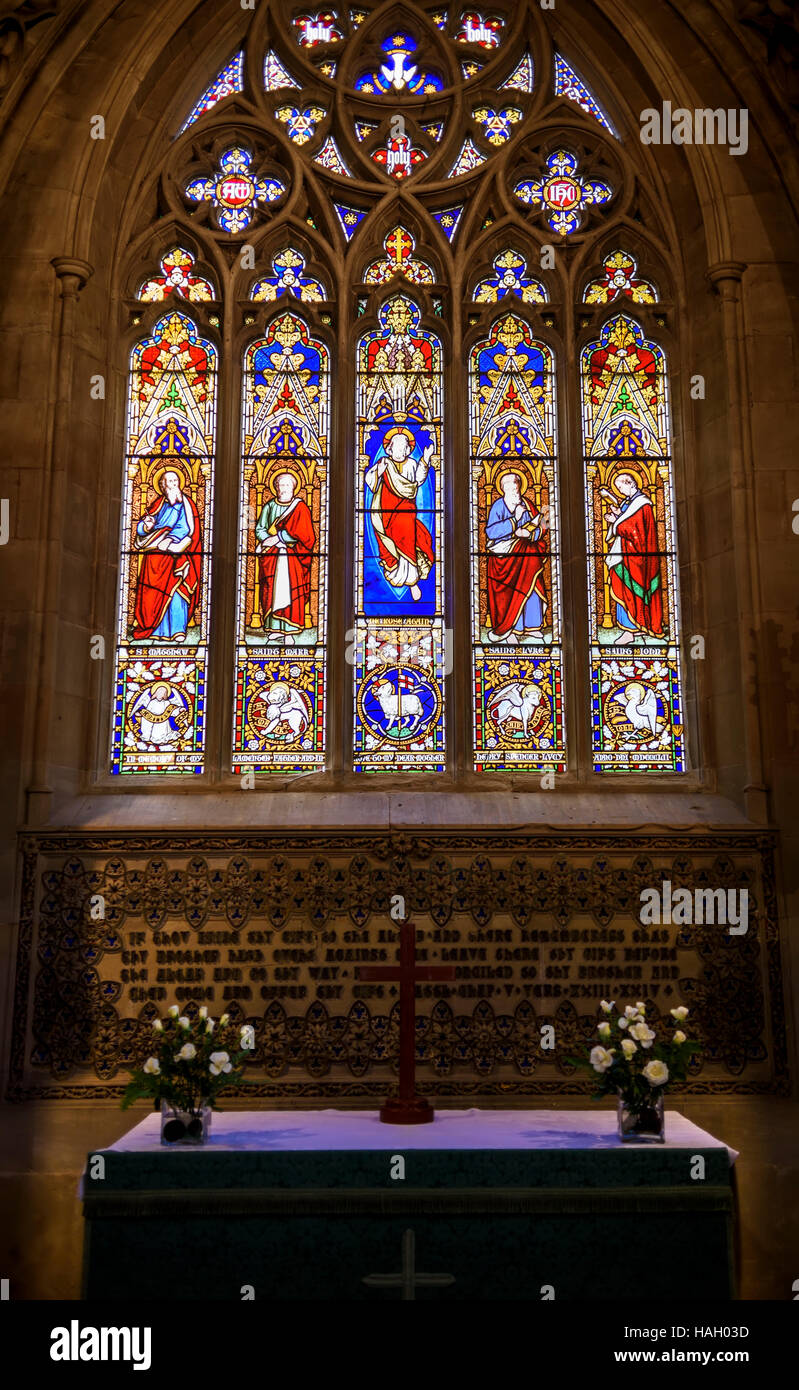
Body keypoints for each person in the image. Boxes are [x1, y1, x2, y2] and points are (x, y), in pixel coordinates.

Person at [365, 427, 434, 602]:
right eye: (397, 447)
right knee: (389, 545)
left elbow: (418, 480)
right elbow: (370, 480)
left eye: (404, 448)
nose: (400, 451)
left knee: (410, 543)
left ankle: (412, 582)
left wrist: (425, 459)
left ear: (408, 450)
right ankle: (400, 576)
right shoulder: (384, 463)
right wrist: (378, 472)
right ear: (390, 449)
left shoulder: (411, 463)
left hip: (406, 511)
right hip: (386, 513)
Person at [132, 469, 201, 642]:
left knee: (176, 590)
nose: (174, 485)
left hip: (174, 555)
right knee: (152, 593)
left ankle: (178, 630)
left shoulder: (185, 504)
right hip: (154, 556)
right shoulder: (157, 505)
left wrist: (170, 539)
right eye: (170, 482)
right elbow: (143, 526)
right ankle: (156, 628)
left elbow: (187, 528)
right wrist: (146, 526)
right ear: (162, 486)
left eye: (176, 481)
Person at [484, 471, 548, 643]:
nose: (515, 492)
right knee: (510, 593)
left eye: (517, 488)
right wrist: (514, 521)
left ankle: (532, 626)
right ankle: (511, 628)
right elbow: (491, 532)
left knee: (532, 582)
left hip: (525, 555)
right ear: (503, 489)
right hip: (503, 558)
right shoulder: (499, 506)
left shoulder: (526, 505)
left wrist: (529, 534)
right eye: (511, 489)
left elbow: (537, 527)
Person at [601, 472, 663, 641]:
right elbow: (627, 524)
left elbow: (636, 531)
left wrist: (616, 522)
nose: (620, 492)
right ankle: (632, 628)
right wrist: (617, 518)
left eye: (621, 487)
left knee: (627, 588)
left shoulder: (643, 505)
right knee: (622, 587)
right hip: (626, 554)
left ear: (631, 484)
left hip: (637, 558)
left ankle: (632, 630)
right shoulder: (631, 503)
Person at [255, 472, 315, 643]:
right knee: (271, 591)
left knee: (290, 592)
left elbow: (306, 535)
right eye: (281, 485)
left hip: (292, 557)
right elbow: (260, 528)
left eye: (287, 485)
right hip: (272, 556)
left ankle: (289, 630)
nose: (284, 488)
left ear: (294, 487)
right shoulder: (269, 506)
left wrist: (281, 538)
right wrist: (268, 540)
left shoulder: (300, 507)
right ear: (276, 487)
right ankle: (274, 628)